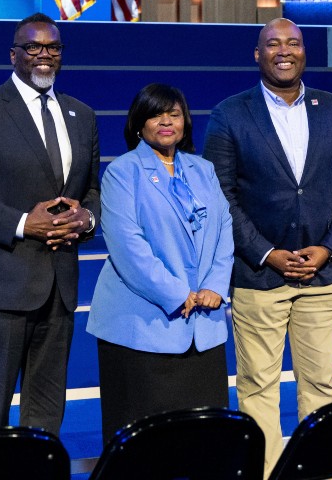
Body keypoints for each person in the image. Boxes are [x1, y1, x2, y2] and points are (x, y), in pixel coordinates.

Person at [203, 18, 332, 474]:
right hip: (259, 276)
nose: (284, 51)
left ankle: (318, 471)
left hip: (323, 276)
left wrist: (329, 248)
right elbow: (220, 195)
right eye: (273, 44)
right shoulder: (230, 113)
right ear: (258, 55)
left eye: (293, 43)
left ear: (304, 52)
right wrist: (266, 252)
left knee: (321, 386)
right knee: (257, 388)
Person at [0, 12, 100, 434]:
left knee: (46, 411)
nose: (44, 54)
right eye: (34, 47)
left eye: (53, 47)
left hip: (60, 288)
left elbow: (92, 192)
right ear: (14, 55)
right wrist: (25, 223)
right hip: (1, 286)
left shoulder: (82, 115)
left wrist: (86, 219)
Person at [87, 83, 233, 443]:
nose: (166, 122)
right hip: (142, 327)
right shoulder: (123, 172)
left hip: (203, 324)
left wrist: (215, 284)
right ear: (139, 124)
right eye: (156, 114)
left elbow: (224, 228)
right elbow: (128, 245)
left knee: (203, 441)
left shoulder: (203, 169)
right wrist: (176, 293)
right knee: (146, 447)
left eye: (174, 114)